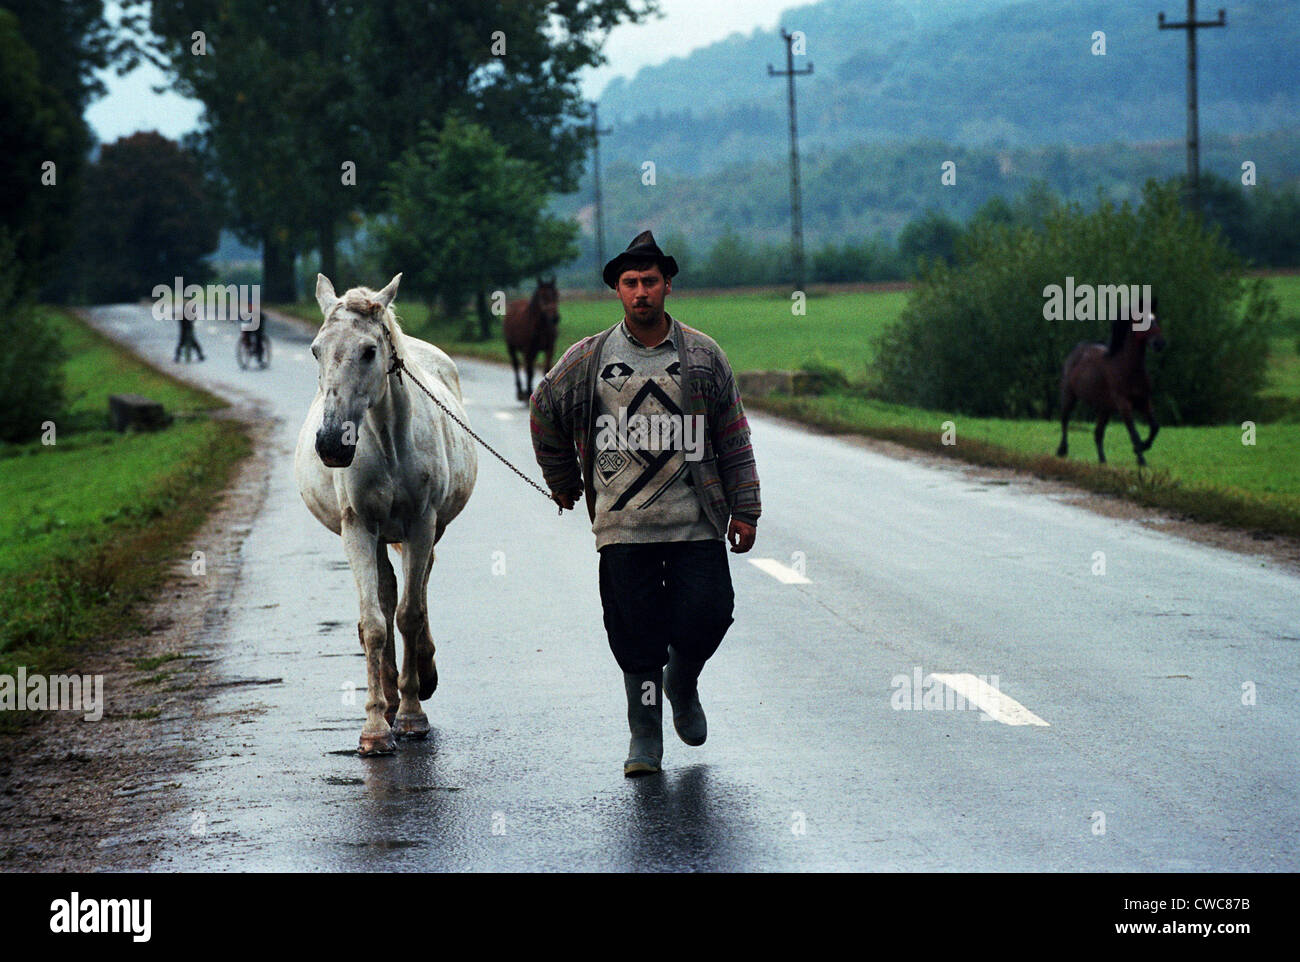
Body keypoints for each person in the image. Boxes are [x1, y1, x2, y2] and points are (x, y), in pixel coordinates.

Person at [529, 230, 761, 777]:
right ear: (617, 290)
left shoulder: (703, 356)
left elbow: (733, 434)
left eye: (650, 281)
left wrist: (745, 508)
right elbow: (544, 410)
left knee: (709, 615)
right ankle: (645, 735)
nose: (641, 292)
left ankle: (683, 681)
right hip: (623, 526)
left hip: (696, 521)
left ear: (667, 286)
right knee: (635, 635)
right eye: (630, 283)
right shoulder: (589, 359)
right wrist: (563, 479)